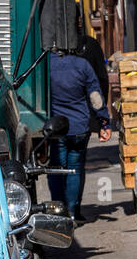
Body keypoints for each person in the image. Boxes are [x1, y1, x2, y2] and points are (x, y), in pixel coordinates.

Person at [47, 48, 111, 226]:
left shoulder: (45, 65)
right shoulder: (82, 65)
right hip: (79, 127)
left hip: (55, 128)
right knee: (75, 169)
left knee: (56, 169)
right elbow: (95, 96)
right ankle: (73, 212)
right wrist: (104, 122)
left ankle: (59, 212)